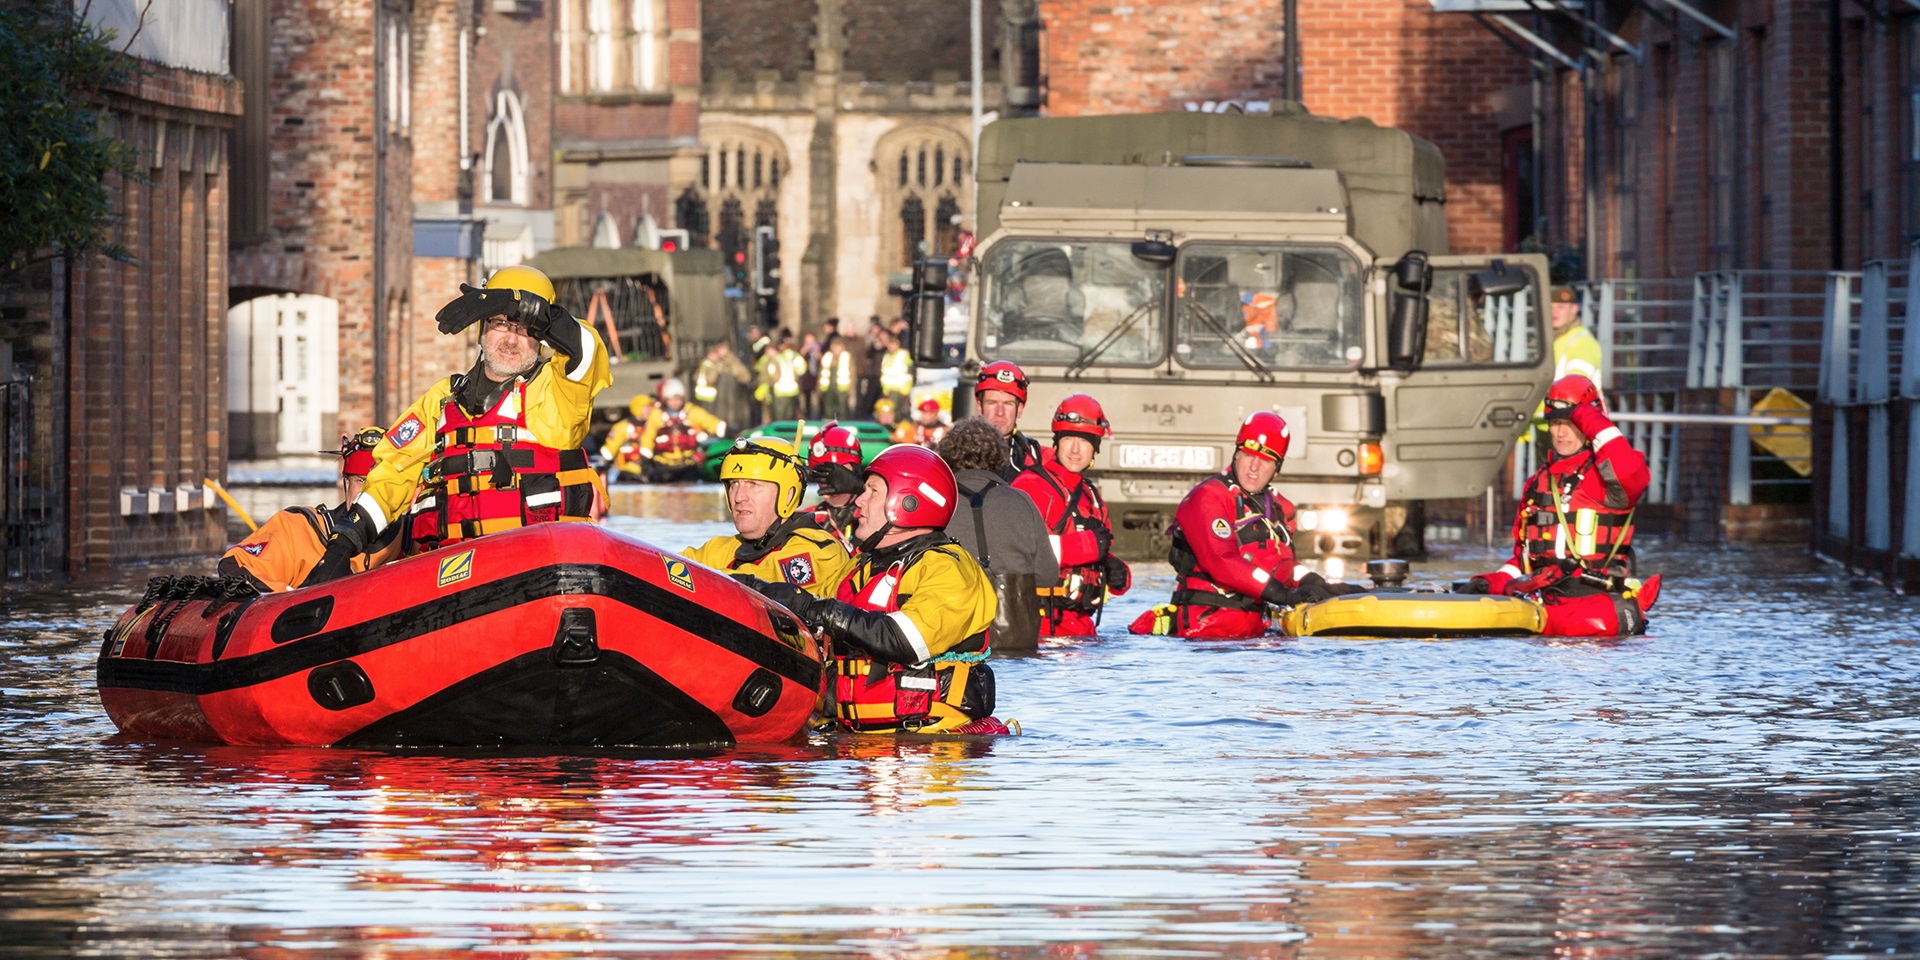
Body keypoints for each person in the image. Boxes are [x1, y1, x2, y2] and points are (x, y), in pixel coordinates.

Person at [305, 265, 612, 583]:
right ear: (482, 327)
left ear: (543, 337)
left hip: (536, 568)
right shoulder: (442, 398)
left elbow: (588, 350)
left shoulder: (558, 391)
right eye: (500, 323)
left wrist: (530, 309)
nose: (511, 339)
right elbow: (392, 475)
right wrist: (343, 542)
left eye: (525, 329)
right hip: (449, 575)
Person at [736, 445, 1009, 735]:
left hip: (931, 744)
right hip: (860, 741)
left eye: (873, 492)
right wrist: (755, 588)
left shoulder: (949, 569)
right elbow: (814, 603)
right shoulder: (860, 567)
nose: (860, 502)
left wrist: (816, 609)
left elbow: (903, 640)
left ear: (909, 502)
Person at [1129, 411, 1364, 639]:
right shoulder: (1209, 498)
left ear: (1277, 468)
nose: (1254, 466)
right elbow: (1221, 560)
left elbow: (1281, 563)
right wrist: (1281, 594)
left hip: (1254, 633)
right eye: (1249, 455)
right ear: (1236, 455)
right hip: (1206, 633)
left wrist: (1314, 583)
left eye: (1265, 459)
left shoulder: (1282, 508)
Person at [1461, 374, 1661, 636]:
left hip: (1599, 615)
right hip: (1545, 613)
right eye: (1555, 423)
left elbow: (1632, 470)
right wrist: (1496, 581)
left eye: (1570, 423)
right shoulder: (1538, 483)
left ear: (1589, 424)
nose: (1561, 432)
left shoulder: (1603, 479)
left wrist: (1585, 415)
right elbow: (1525, 557)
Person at [219, 428, 402, 592]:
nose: (369, 494)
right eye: (361, 481)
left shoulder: (412, 538)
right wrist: (295, 598)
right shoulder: (298, 529)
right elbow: (234, 568)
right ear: (346, 482)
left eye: (379, 484)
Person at [1012, 395, 1131, 637]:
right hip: (1040, 628)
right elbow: (1021, 551)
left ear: (1095, 448)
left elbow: (1102, 554)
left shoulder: (1092, 497)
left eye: (1085, 441)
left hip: (1082, 630)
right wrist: (1088, 547)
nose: (1075, 450)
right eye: (1068, 439)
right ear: (1056, 442)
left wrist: (1119, 575)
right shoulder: (1030, 486)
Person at [939, 417, 1059, 652]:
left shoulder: (939, 504)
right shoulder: (1022, 501)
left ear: (948, 457)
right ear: (998, 457)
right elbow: (1048, 575)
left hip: (960, 647)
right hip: (1017, 641)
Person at [683, 437, 852, 598]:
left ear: (788, 495)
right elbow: (671, 564)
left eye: (753, 485)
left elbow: (761, 579)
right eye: (734, 484)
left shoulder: (819, 552)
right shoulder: (723, 548)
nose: (739, 497)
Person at [637, 377, 725, 482]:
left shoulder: (692, 411)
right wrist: (645, 462)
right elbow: (647, 437)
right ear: (665, 399)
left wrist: (727, 430)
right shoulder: (657, 415)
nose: (675, 402)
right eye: (671, 399)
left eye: (678, 399)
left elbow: (710, 422)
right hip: (663, 466)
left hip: (688, 465)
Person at [974, 360, 1044, 480]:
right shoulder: (960, 454)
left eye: (1008, 403)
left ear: (1020, 409)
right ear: (980, 407)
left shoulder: (1035, 457)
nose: (1000, 412)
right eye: (992, 403)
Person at [802, 420, 865, 552]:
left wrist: (861, 488)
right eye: (823, 474)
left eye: (839, 474)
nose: (832, 483)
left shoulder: (878, 514)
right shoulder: (809, 519)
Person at [694, 340, 753, 432]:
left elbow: (745, 377)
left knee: (733, 420)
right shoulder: (710, 364)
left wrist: (730, 362)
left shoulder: (734, 362)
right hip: (715, 401)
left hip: (734, 401)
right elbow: (710, 378)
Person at [599, 394, 654, 482]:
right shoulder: (622, 427)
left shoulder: (652, 426)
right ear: (637, 408)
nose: (649, 410)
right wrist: (604, 468)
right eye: (646, 407)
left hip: (650, 471)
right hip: (626, 472)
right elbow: (610, 450)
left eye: (650, 407)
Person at [763, 332, 803, 423]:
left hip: (788, 391)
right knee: (781, 415)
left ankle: (786, 435)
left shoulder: (791, 356)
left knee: (786, 415)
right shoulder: (773, 358)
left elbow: (801, 368)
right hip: (780, 391)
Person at [817, 334, 855, 420]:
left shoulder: (847, 357)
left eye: (838, 346)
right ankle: (828, 429)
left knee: (842, 410)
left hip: (842, 389)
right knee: (828, 411)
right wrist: (818, 388)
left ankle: (842, 429)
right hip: (828, 388)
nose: (836, 348)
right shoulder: (827, 357)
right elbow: (821, 373)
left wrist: (851, 389)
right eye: (834, 346)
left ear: (842, 347)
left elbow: (852, 374)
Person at [878, 331, 915, 416]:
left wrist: (905, 391)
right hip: (889, 391)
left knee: (897, 413)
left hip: (900, 391)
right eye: (889, 344)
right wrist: (885, 391)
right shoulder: (886, 356)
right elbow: (885, 375)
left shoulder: (904, 355)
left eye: (893, 344)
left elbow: (908, 375)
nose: (891, 347)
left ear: (897, 344)